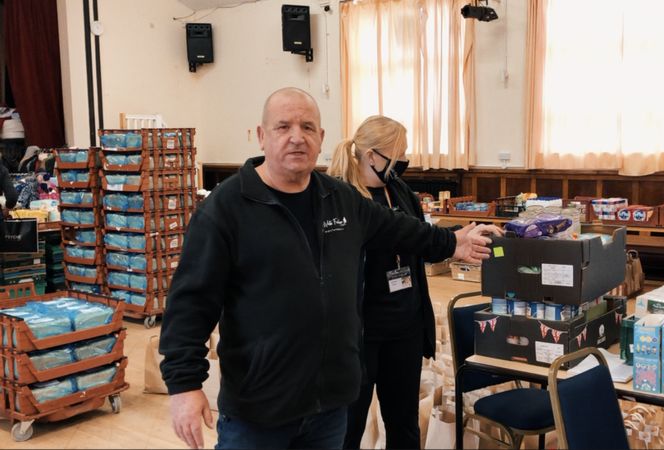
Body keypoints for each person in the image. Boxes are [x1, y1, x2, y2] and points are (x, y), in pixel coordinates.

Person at [159, 87, 499, 449]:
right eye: (283, 126)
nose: (296, 137)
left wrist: (453, 243)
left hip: (329, 407)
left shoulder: (339, 198)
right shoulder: (226, 208)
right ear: (261, 136)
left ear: (321, 138)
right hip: (259, 411)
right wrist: (184, 385)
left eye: (307, 127)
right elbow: (190, 303)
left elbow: (401, 230)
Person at [328, 115, 495, 449]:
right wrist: (452, 241)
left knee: (403, 423)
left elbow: (420, 241)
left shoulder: (400, 191)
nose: (403, 162)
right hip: (360, 334)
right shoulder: (342, 199)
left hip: (403, 328)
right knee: (348, 426)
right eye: (398, 154)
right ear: (371, 155)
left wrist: (455, 242)